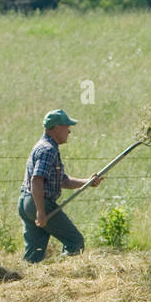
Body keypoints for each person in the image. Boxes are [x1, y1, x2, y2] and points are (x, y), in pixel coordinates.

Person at [19, 109, 103, 263]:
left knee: (34, 253)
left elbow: (63, 181)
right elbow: (36, 180)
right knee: (75, 241)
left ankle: (24, 279)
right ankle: (63, 273)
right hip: (39, 202)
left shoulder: (43, 146)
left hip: (26, 202)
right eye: (66, 127)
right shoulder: (48, 150)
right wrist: (41, 211)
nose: (69, 131)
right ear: (57, 128)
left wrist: (87, 182)